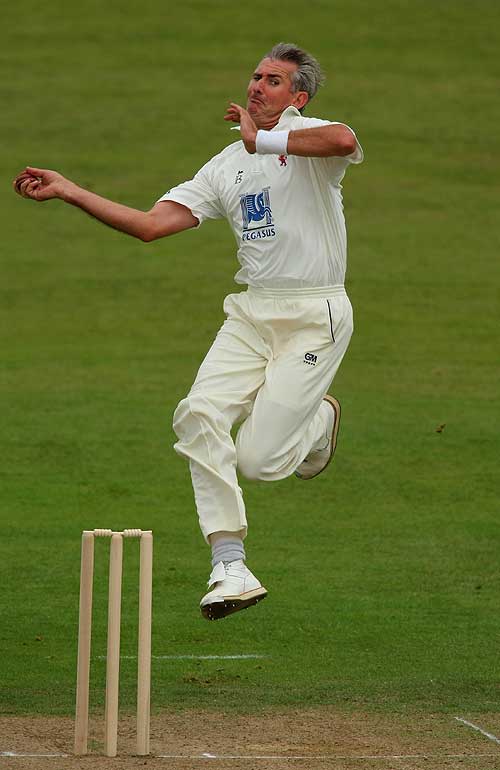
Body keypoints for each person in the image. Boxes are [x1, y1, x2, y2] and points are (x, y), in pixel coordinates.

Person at [13, 42, 363, 621]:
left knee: (259, 463)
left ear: (297, 97)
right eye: (255, 76)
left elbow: (347, 140)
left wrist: (262, 139)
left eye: (273, 81)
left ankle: (320, 420)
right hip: (251, 313)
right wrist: (70, 191)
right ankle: (230, 563)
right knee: (197, 414)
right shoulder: (227, 164)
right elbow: (152, 225)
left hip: (314, 314)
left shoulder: (313, 139)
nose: (257, 86)